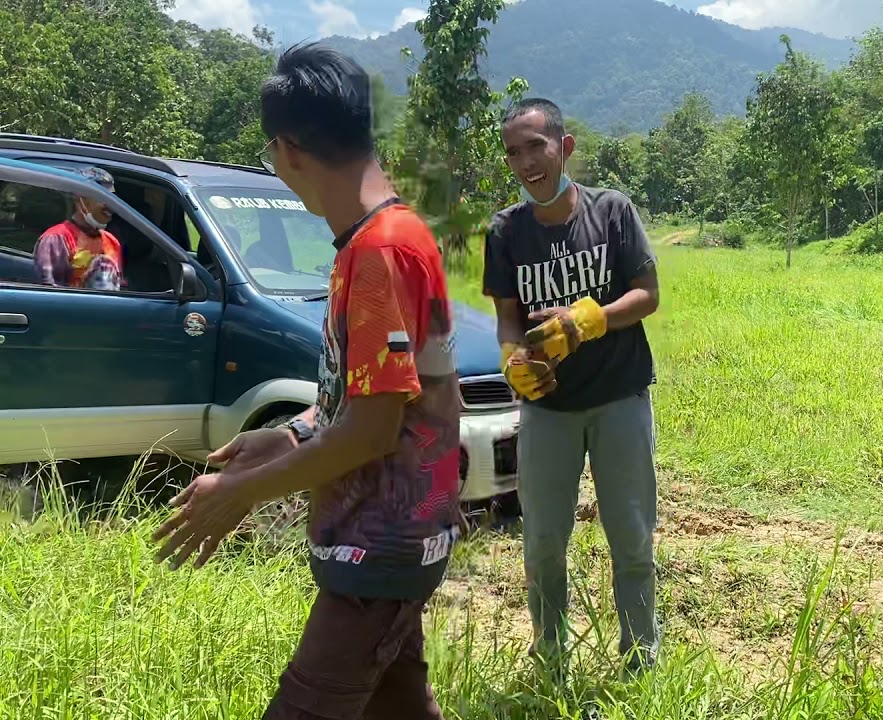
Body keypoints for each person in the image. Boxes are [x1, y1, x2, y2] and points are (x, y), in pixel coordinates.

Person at [151, 43, 460, 720]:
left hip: (381, 543)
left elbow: (375, 429)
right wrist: (288, 435)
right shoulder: (385, 237)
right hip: (396, 534)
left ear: (287, 150)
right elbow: (371, 403)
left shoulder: (381, 251)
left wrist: (238, 494)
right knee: (399, 705)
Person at [483, 97, 662, 675]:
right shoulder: (506, 231)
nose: (525, 162)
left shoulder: (612, 212)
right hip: (547, 409)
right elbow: (509, 316)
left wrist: (586, 321)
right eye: (513, 151)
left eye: (535, 146)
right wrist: (514, 362)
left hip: (619, 400)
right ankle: (551, 655)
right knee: (541, 542)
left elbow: (647, 294)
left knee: (631, 537)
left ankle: (640, 659)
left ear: (565, 146)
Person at [33, 166, 124, 291]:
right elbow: (50, 295)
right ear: (79, 199)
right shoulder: (56, 239)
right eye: (101, 197)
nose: (109, 205)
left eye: (111, 198)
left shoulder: (112, 242)